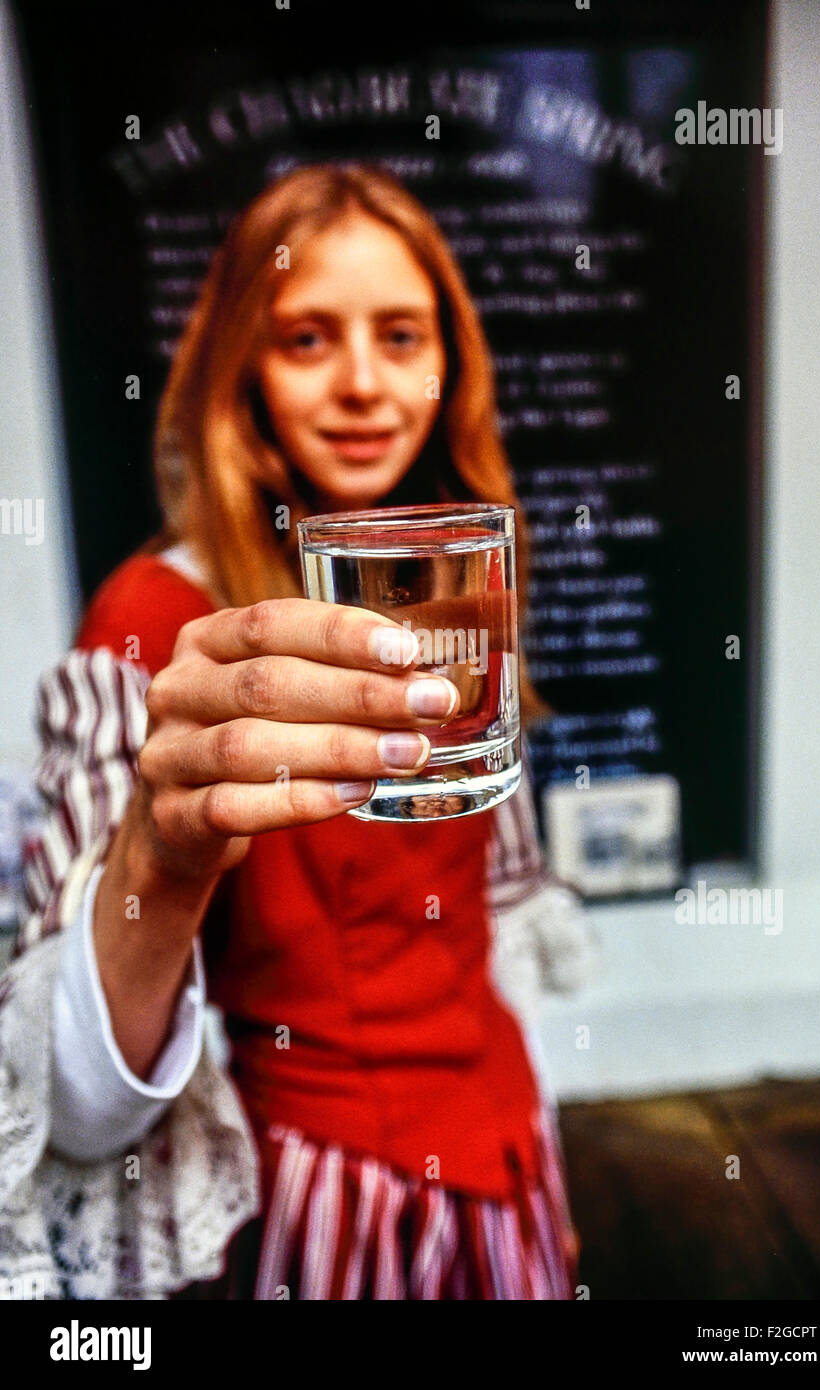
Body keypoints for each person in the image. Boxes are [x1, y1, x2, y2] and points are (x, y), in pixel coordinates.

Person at [0, 163, 594, 1301]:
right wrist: (158, 857)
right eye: (308, 338)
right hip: (331, 1196)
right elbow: (71, 1107)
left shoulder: (459, 586)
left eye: (403, 334)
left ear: (449, 365)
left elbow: (485, 953)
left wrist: (542, 1182)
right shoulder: (155, 623)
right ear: (244, 373)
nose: (364, 383)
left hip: (507, 1158)